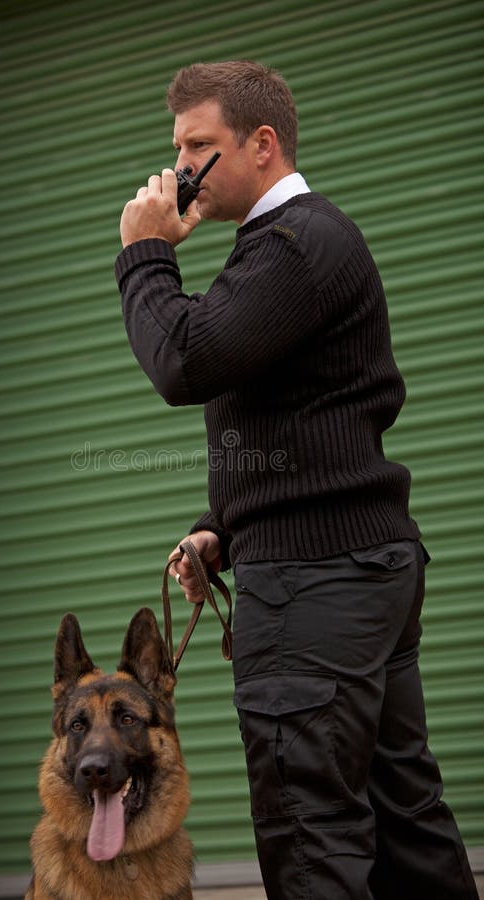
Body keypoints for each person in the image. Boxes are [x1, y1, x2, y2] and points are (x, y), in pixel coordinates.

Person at [115, 60, 477, 900]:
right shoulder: (286, 249)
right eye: (176, 148)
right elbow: (305, 421)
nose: (178, 170)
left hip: (318, 591)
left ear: (263, 144)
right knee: (404, 820)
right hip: (354, 572)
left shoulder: (295, 244)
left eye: (198, 145)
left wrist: (142, 255)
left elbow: (185, 359)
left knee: (312, 836)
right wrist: (226, 528)